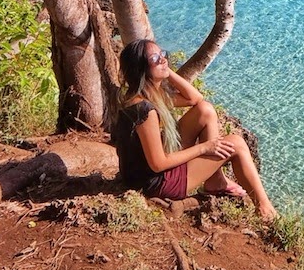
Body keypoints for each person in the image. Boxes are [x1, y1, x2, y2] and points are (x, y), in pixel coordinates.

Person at [114, 39, 277, 220]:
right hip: (153, 183)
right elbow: (158, 164)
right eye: (154, 58)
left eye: (162, 54)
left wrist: (167, 71)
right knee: (236, 144)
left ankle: (215, 180)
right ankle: (265, 209)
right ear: (140, 68)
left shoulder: (150, 96)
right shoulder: (143, 109)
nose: (162, 59)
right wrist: (204, 148)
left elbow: (195, 99)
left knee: (205, 110)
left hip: (146, 173)